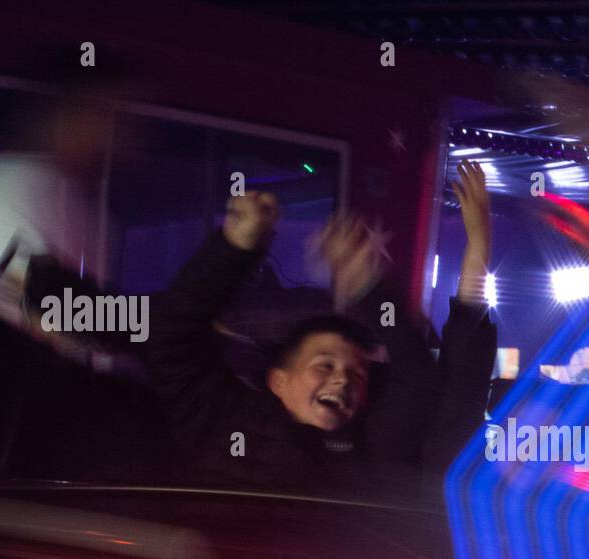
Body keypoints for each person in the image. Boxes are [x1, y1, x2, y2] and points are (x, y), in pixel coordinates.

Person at [145, 161, 495, 496]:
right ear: (278, 381)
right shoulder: (230, 426)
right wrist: (234, 247)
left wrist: (373, 286)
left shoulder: (378, 452)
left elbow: (442, 380)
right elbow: (173, 336)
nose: (343, 380)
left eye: (357, 375)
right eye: (324, 366)